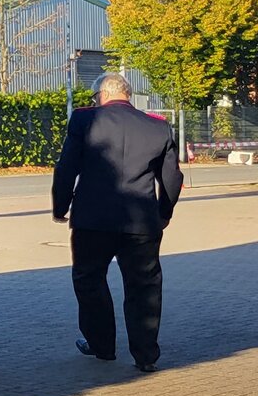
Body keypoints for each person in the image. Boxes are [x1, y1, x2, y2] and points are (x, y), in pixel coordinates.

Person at [52, 71, 184, 373]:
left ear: (102, 96)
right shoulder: (159, 128)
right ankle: (146, 355)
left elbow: (66, 168)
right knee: (144, 287)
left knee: (89, 281)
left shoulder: (84, 121)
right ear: (128, 95)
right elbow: (173, 178)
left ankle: (101, 346)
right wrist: (164, 213)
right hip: (141, 222)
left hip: (92, 221)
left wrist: (61, 207)